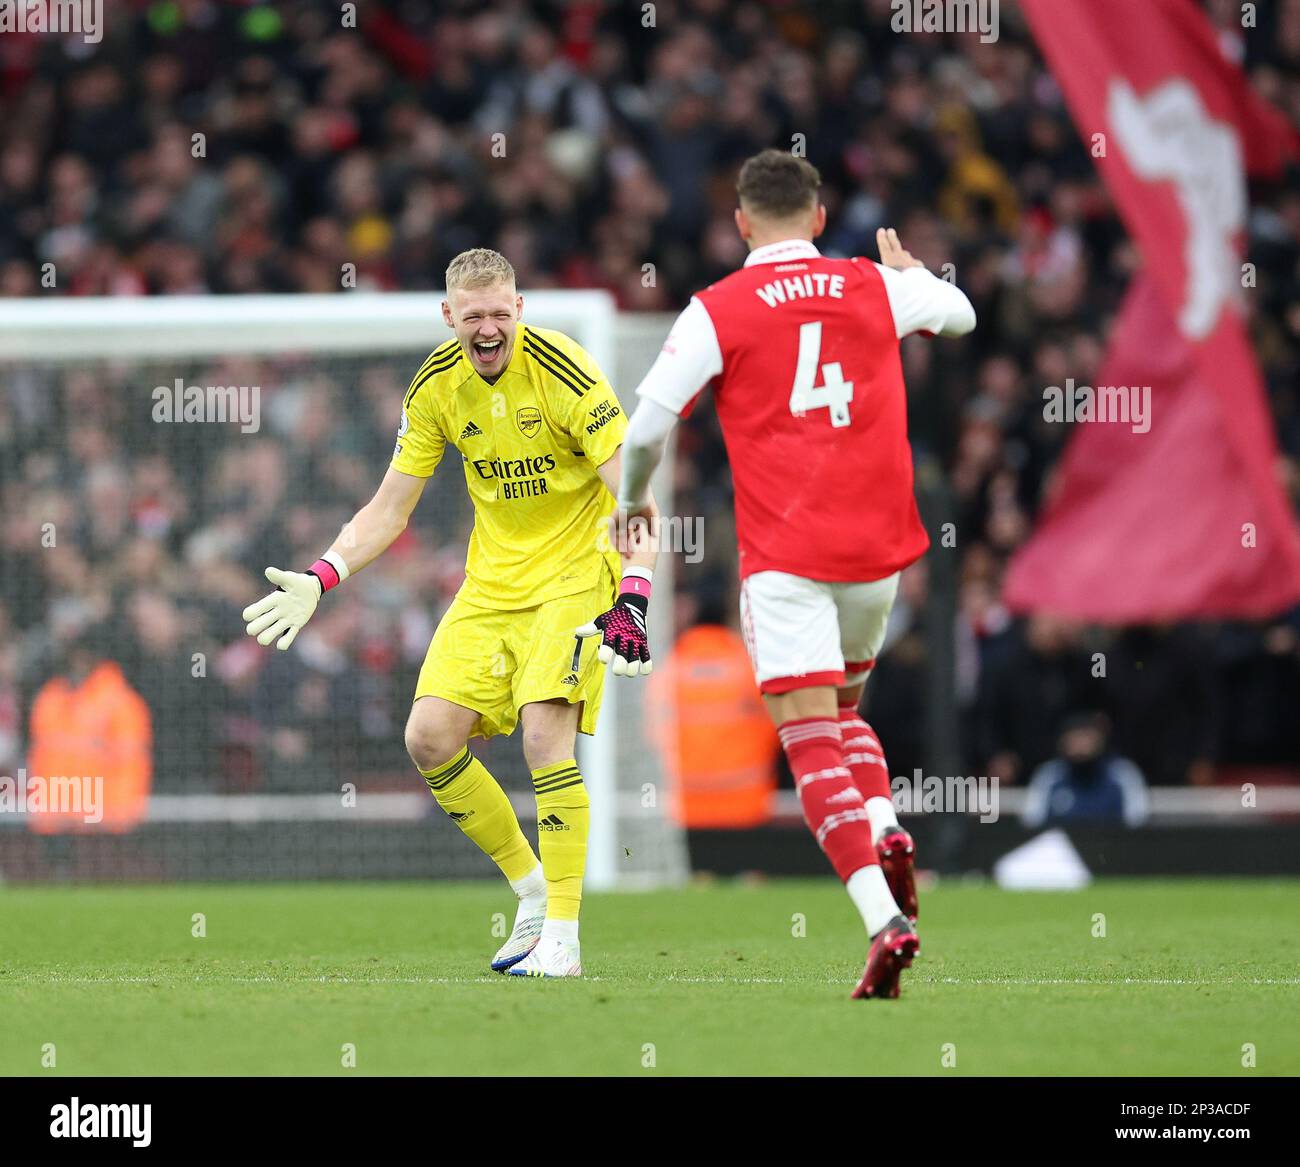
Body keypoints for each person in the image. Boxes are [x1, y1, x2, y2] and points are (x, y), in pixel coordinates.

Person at [615, 149, 976, 999]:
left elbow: (644, 430)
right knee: (846, 710)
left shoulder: (719, 307)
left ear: (741, 223)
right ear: (818, 218)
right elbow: (959, 315)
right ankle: (885, 821)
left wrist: (634, 499)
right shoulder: (871, 283)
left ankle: (883, 920)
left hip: (787, 555)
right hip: (878, 552)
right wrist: (911, 270)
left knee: (807, 733)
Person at [242, 248, 657, 979]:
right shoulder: (436, 385)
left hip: (573, 578)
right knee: (429, 737)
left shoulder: (567, 372)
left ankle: (564, 935)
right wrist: (322, 575)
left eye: (501, 312)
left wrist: (635, 594)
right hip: (491, 584)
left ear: (520, 309)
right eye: (474, 317)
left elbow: (637, 498)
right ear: (450, 317)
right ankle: (531, 892)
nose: (489, 328)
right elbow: (391, 507)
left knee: (542, 736)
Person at [1021, 713, 1151, 830]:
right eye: (1075, 737)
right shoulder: (1049, 775)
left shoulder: (1123, 773)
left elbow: (1137, 825)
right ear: (1062, 742)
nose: (1081, 744)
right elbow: (1031, 824)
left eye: (1086, 737)